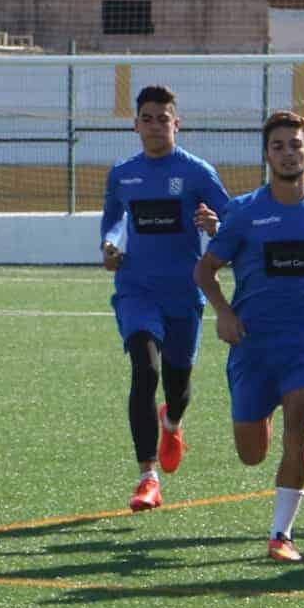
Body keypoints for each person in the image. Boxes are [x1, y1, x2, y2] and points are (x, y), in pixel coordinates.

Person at [196, 111, 304, 562]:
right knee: (251, 453)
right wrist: (223, 314)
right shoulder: (243, 213)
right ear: (267, 155)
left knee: (299, 426)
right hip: (252, 343)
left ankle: (281, 534)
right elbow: (205, 271)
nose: (288, 153)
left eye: (295, 144)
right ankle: (257, 413)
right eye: (278, 146)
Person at [99, 85, 230, 513]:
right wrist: (110, 246)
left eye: (163, 118)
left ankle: (171, 422)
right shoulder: (123, 174)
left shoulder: (196, 172)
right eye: (147, 118)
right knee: (144, 368)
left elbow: (231, 224)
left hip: (183, 292)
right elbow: (114, 222)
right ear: (135, 124)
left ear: (177, 123)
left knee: (178, 385)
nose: (155, 126)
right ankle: (147, 478)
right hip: (137, 290)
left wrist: (214, 225)